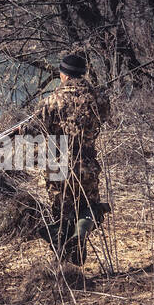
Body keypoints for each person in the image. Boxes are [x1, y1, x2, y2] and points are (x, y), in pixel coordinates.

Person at [27, 52, 111, 263]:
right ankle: (80, 235)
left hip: (58, 167)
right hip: (87, 164)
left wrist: (21, 130)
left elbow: (34, 130)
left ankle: (64, 263)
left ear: (63, 75)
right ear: (83, 74)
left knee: (62, 215)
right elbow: (105, 116)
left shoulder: (51, 101)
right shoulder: (97, 98)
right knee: (90, 208)